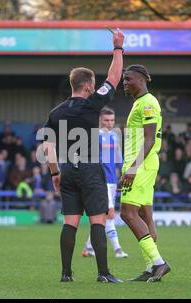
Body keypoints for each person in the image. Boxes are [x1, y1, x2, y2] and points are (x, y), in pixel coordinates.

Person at [42, 28, 125, 283]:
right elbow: (113, 77)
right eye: (93, 83)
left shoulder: (56, 113)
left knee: (70, 223)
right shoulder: (93, 104)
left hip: (68, 170)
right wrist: (118, 47)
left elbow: (47, 147)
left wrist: (56, 173)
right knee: (98, 222)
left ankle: (66, 274)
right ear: (89, 86)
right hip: (91, 170)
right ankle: (104, 274)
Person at [119, 64, 170, 282]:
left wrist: (132, 167)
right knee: (144, 215)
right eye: (124, 79)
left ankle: (159, 263)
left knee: (127, 213)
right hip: (144, 165)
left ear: (142, 79)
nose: (125, 83)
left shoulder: (148, 103)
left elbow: (149, 139)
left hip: (141, 166)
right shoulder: (140, 103)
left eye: (128, 79)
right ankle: (151, 267)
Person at [82, 107, 128, 259]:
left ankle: (88, 248)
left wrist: (123, 176)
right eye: (106, 120)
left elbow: (118, 160)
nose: (110, 123)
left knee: (101, 217)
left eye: (112, 120)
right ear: (100, 120)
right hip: (100, 181)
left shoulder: (115, 136)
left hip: (112, 181)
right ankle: (118, 250)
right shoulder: (94, 136)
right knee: (110, 214)